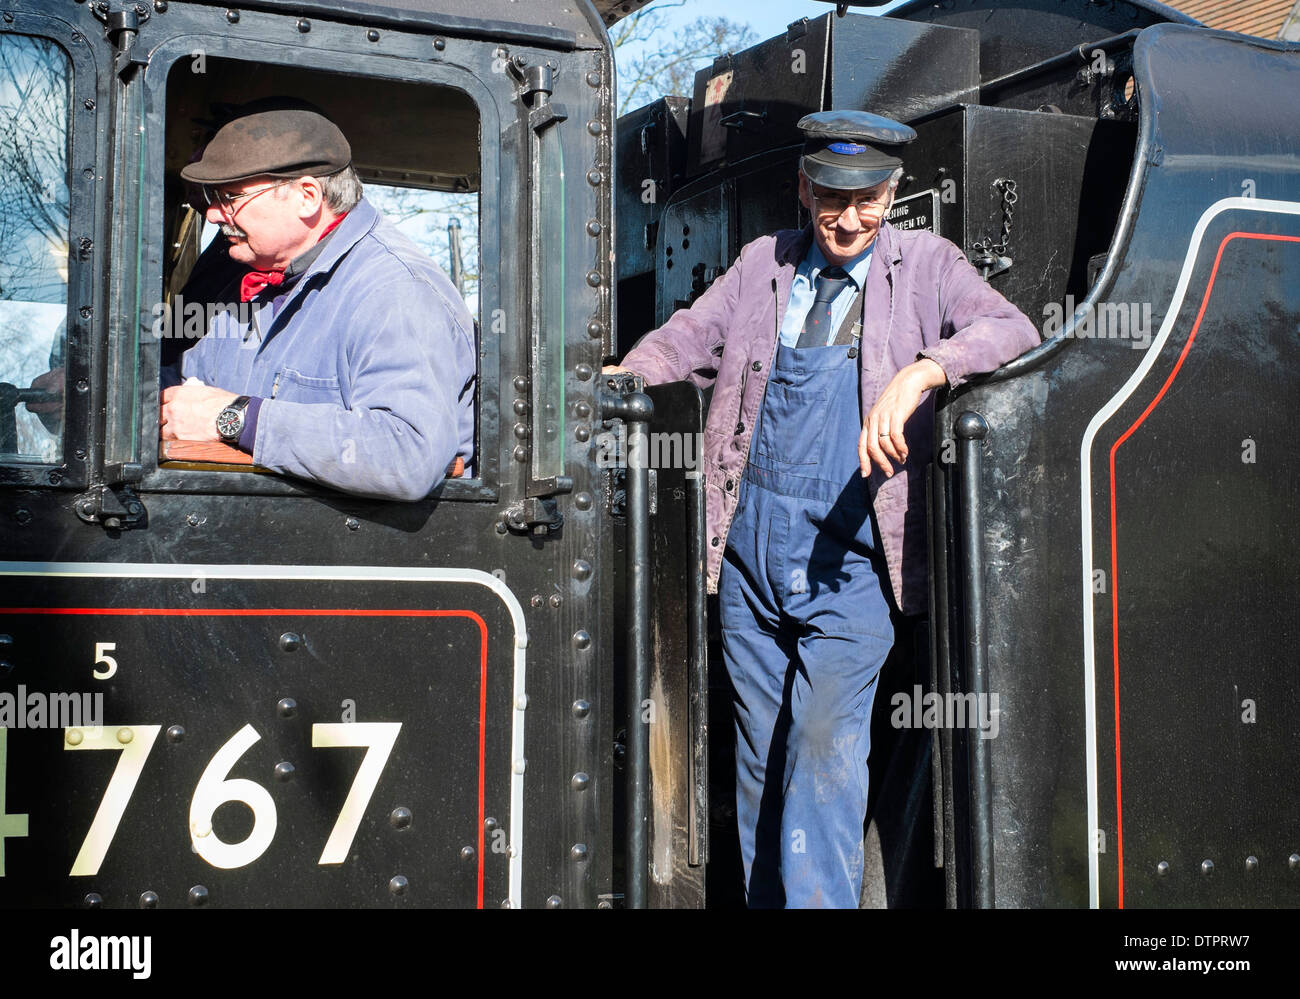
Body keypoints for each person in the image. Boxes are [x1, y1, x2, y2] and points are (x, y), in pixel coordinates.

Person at [607, 110, 1039, 907]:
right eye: (833, 199)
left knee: (819, 757)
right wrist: (627, 379)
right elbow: (686, 339)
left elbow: (1012, 328)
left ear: (892, 192)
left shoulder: (927, 267)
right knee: (758, 766)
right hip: (749, 564)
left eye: (868, 199)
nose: (848, 219)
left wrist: (924, 372)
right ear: (805, 191)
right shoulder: (760, 265)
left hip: (854, 572)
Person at [161, 101, 475, 501]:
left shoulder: (395, 290)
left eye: (231, 197)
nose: (216, 216)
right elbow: (193, 386)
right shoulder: (252, 282)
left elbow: (407, 454)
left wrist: (234, 418)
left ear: (307, 196)